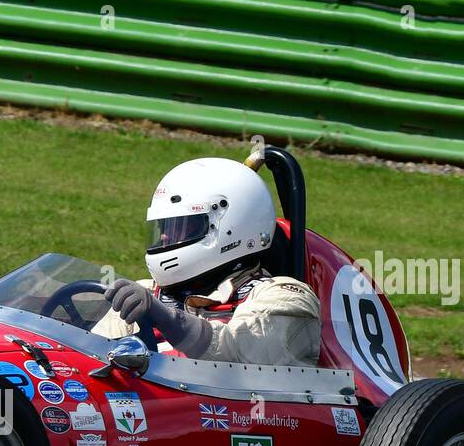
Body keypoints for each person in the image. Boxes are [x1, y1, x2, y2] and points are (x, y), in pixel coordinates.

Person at [97, 155, 321, 367]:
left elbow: (236, 356)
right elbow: (91, 357)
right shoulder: (145, 293)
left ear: (233, 226)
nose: (165, 237)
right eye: (165, 227)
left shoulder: (285, 297)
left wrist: (165, 318)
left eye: (184, 226)